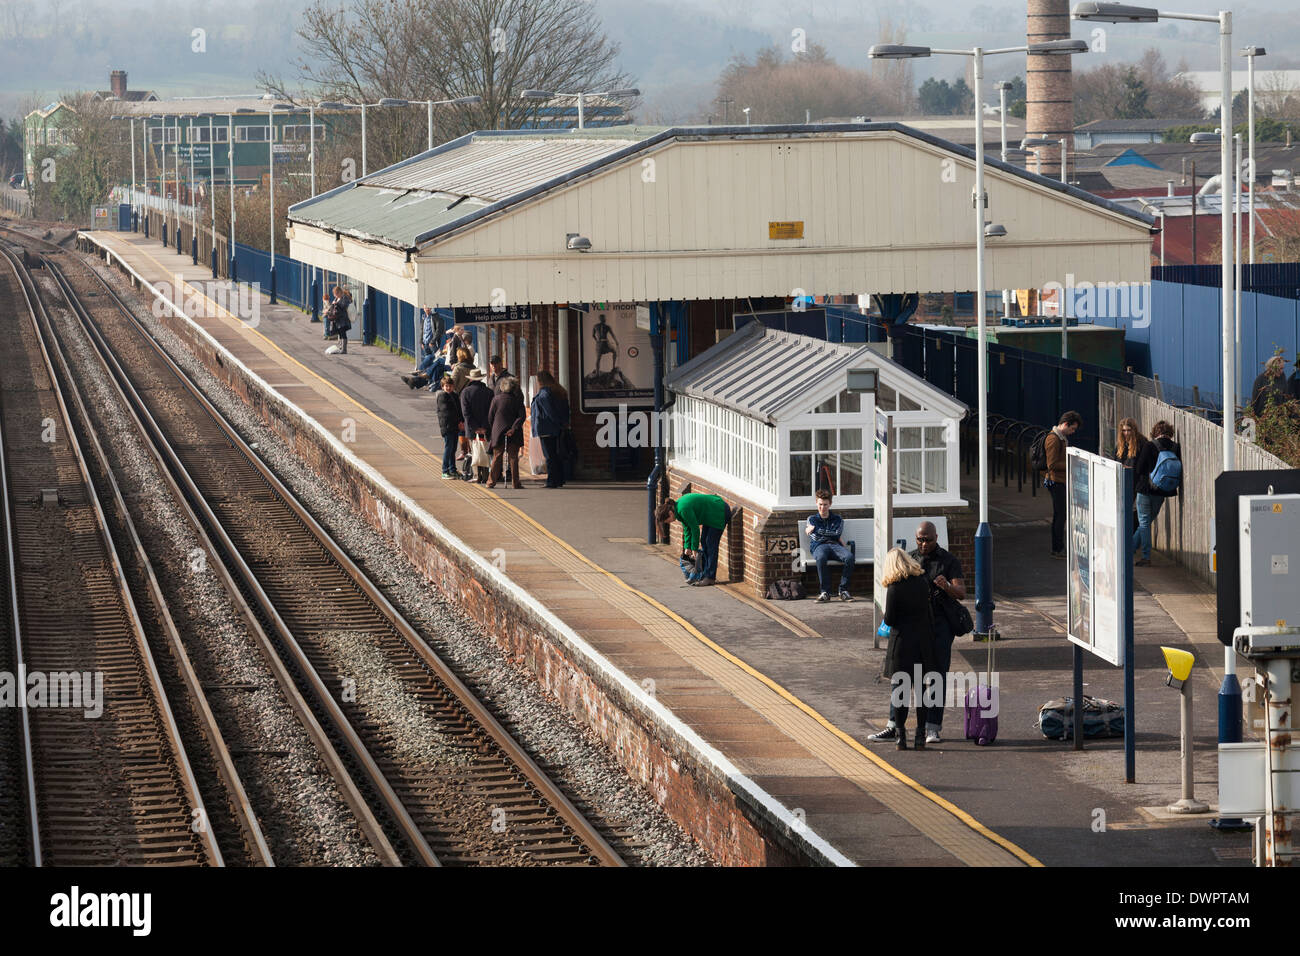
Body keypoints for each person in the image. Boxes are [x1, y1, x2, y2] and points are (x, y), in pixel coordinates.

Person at [867, 548, 937, 751]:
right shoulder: (923, 582)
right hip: (922, 644)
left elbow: (889, 619)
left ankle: (900, 736)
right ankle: (920, 735)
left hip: (902, 645)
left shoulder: (895, 588)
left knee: (901, 692)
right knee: (921, 691)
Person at [908, 521, 964, 745]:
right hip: (917, 625)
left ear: (936, 537)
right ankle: (917, 726)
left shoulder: (948, 561)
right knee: (916, 676)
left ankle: (933, 727)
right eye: (920, 539)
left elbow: (961, 593)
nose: (923, 544)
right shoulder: (910, 559)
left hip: (941, 625)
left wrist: (946, 587)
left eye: (928, 540)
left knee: (938, 675)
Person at [1132, 420, 1181, 566]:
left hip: (1145, 490)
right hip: (1163, 492)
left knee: (1144, 523)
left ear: (1155, 432)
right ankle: (1130, 548)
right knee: (1146, 523)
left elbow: (1139, 468)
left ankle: (1145, 557)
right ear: (1170, 433)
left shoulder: (1149, 445)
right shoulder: (1175, 447)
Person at [655, 493, 731, 586]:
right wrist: (687, 547)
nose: (669, 523)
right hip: (711, 514)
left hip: (719, 511)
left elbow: (695, 529)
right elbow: (687, 528)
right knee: (704, 542)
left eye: (667, 521)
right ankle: (705, 574)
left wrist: (694, 548)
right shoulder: (678, 509)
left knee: (710, 545)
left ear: (670, 513)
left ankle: (710, 577)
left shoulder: (683, 509)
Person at [805, 489, 853, 602]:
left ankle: (843, 591)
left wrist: (816, 529)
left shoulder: (837, 519)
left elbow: (837, 534)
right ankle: (825, 592)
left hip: (835, 546)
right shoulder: (811, 519)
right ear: (816, 503)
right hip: (819, 546)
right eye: (820, 504)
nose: (822, 508)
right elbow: (815, 538)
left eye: (825, 505)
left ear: (830, 504)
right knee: (821, 558)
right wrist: (829, 534)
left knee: (849, 557)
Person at [1045, 410, 1081, 559]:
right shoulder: (1054, 439)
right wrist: (1071, 463)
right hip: (1056, 481)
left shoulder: (1062, 438)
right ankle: (1057, 549)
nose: (1072, 432)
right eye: (1072, 428)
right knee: (1060, 516)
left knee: (1060, 515)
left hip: (1060, 481)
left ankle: (1058, 548)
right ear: (1065, 424)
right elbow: (1051, 464)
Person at [531, 370, 570, 488]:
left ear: (541, 381)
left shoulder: (544, 394)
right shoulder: (559, 391)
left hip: (546, 428)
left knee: (549, 456)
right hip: (556, 428)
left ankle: (551, 481)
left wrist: (557, 423)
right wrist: (562, 424)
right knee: (555, 455)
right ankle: (559, 479)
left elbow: (550, 412)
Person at [487, 376, 526, 489]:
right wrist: (513, 428)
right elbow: (521, 416)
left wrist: (494, 428)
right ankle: (515, 483)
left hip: (498, 431)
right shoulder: (517, 400)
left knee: (497, 456)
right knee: (513, 457)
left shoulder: (496, 399)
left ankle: (491, 482)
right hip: (514, 432)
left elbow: (490, 417)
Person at [460, 368, 493, 483]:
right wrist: (483, 427)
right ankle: (485, 475)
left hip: (471, 429)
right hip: (486, 428)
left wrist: (475, 428)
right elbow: (491, 412)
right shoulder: (489, 392)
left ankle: (476, 475)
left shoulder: (465, 392)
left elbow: (466, 413)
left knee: (475, 451)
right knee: (485, 451)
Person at [1115, 416, 1147, 533]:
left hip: (1136, 482)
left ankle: (1131, 540)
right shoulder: (1121, 443)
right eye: (1124, 430)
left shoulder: (1142, 443)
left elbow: (1143, 465)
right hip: (1123, 481)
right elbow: (1116, 459)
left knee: (1134, 512)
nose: (1126, 433)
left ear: (1134, 430)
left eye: (1129, 430)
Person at [435, 373, 463, 479]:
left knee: (453, 449)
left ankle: (452, 469)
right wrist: (458, 422)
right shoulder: (442, 396)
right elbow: (447, 412)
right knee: (448, 448)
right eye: (446, 386)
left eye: (450, 386)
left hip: (455, 426)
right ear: (442, 387)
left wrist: (461, 421)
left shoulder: (455, 396)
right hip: (447, 426)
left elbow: (459, 410)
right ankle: (445, 470)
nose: (448, 388)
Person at [323, 286, 352, 354]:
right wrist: (328, 310)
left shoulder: (345, 297)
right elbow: (333, 307)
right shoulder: (337, 298)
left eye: (335, 294)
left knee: (343, 332)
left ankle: (344, 349)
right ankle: (341, 347)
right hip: (338, 319)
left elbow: (344, 306)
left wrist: (337, 304)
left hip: (343, 318)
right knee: (340, 333)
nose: (334, 295)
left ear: (339, 292)